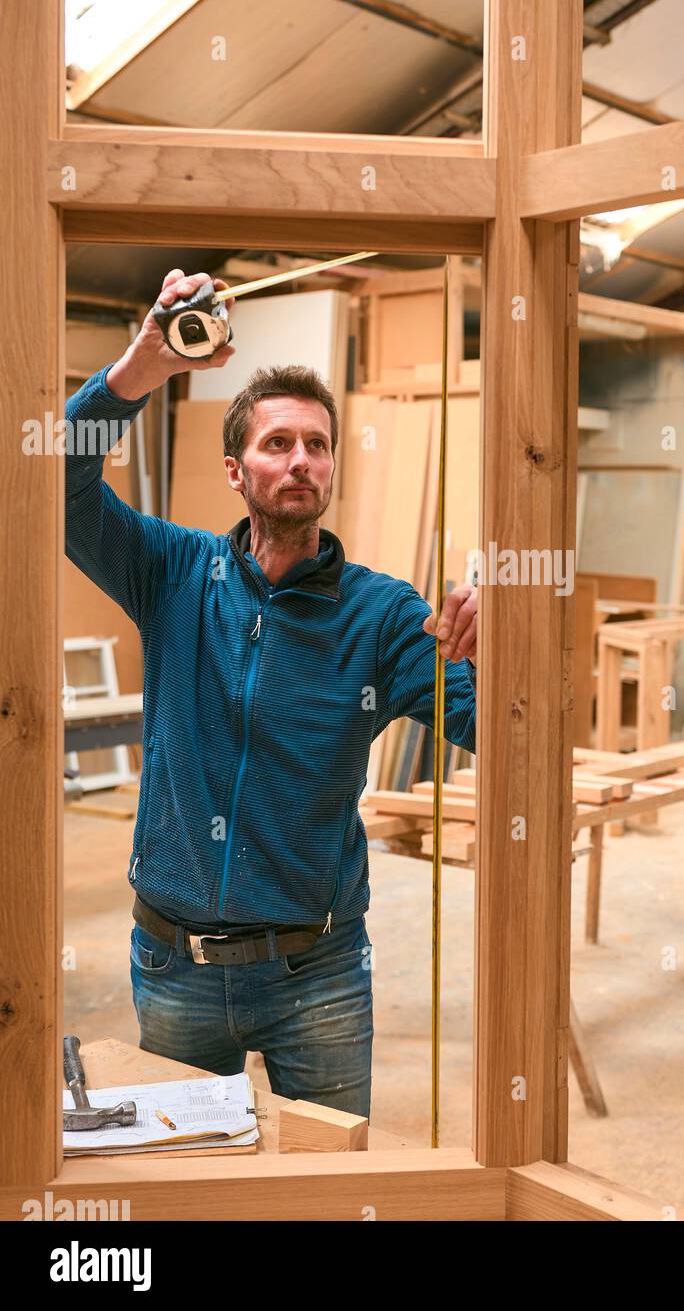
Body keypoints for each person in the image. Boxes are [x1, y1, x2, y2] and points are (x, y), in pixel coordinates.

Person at [65, 269, 478, 1119]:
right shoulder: (173, 574)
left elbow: (494, 729)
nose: (302, 461)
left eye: (318, 445)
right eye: (278, 443)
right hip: (175, 963)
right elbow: (52, 482)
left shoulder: (382, 613)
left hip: (318, 971)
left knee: (326, 1197)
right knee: (187, 1191)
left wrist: (504, 658)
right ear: (235, 469)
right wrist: (145, 364)